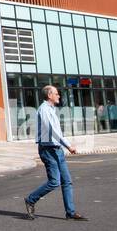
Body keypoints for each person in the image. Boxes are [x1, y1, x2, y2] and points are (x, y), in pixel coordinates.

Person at [24, 84, 87, 221]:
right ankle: (30, 200)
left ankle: (70, 212)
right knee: (54, 181)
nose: (59, 95)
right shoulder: (44, 110)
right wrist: (69, 146)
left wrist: (63, 146)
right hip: (48, 149)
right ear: (49, 95)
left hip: (57, 149)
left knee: (67, 181)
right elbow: (52, 130)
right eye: (57, 93)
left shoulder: (51, 110)